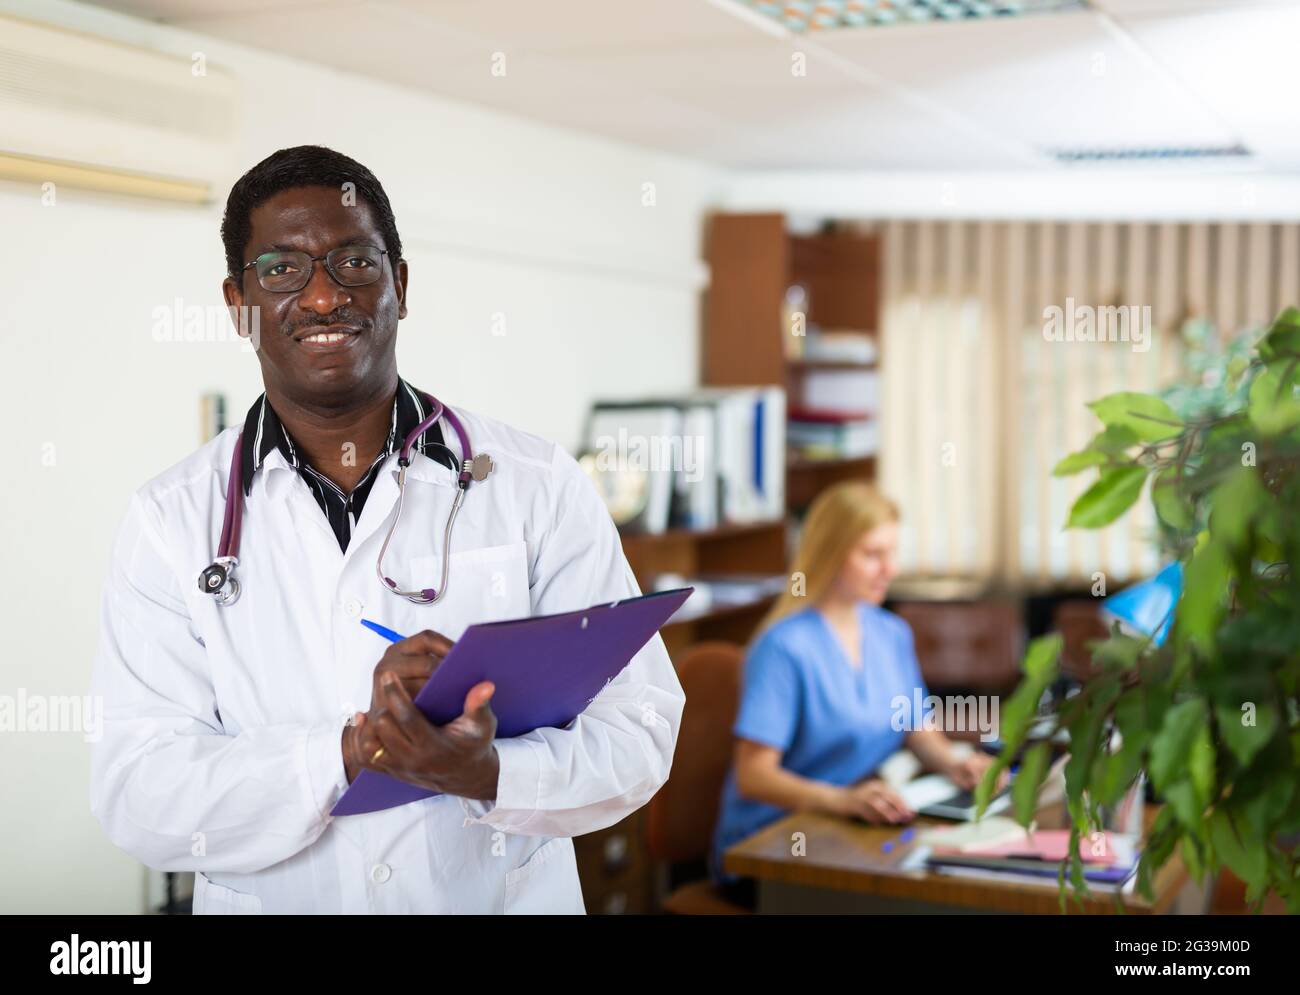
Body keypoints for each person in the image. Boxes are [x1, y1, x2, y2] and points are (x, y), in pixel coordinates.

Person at [88, 145, 684, 914]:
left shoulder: (540, 485)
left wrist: (486, 772)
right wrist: (350, 750)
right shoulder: (171, 521)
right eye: (281, 270)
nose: (324, 297)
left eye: (354, 263)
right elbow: (140, 794)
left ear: (399, 283)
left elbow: (639, 730)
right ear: (239, 304)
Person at [710, 482, 997, 907]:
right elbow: (754, 776)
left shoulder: (890, 631)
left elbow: (914, 726)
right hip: (771, 847)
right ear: (830, 552)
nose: (890, 569)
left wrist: (955, 764)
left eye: (892, 553)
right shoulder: (783, 647)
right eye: (872, 555)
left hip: (848, 827)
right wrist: (841, 800)